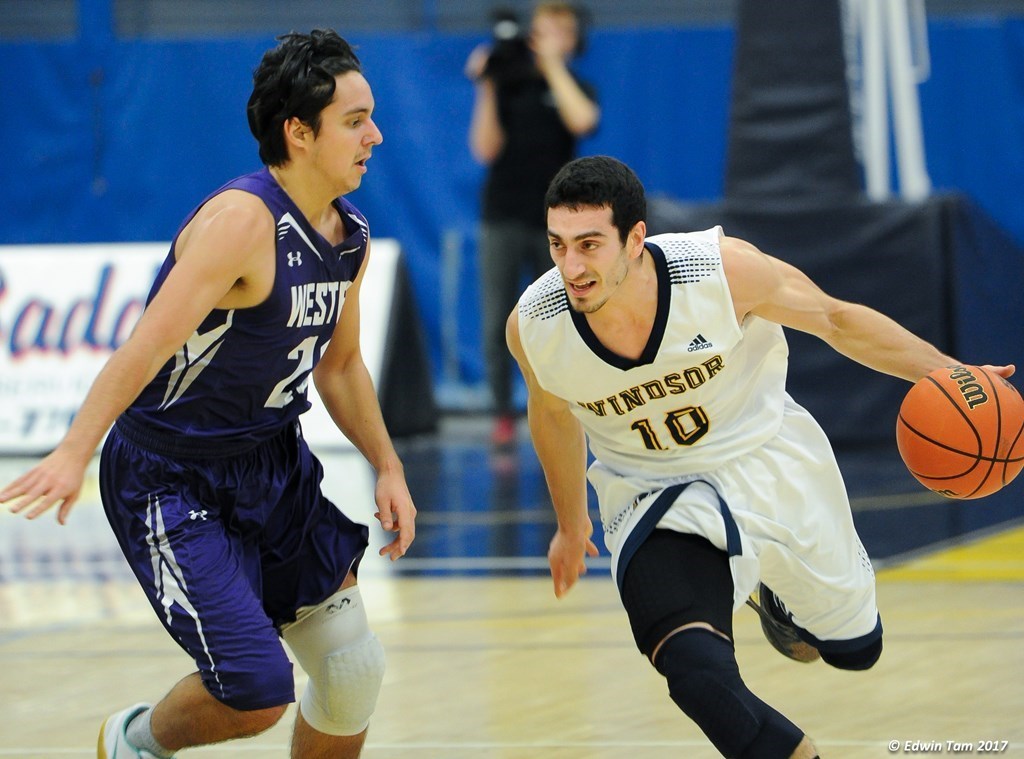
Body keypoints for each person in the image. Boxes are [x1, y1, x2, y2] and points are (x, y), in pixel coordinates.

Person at [506, 155, 1015, 758]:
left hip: (769, 457)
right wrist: (571, 522)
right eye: (557, 245)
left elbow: (835, 319)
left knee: (854, 650)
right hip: (654, 492)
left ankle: (772, 597)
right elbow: (553, 413)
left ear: (635, 239)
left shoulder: (720, 272)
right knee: (696, 673)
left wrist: (952, 374)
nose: (571, 266)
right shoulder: (535, 324)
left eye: (589, 245)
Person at [0, 29, 416, 759]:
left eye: (371, 116)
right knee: (255, 692)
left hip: (272, 464)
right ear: (298, 131)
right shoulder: (241, 223)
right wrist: (72, 452)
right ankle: (130, 743)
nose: (374, 136)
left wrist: (387, 464)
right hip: (171, 476)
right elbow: (145, 346)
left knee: (353, 668)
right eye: (355, 120)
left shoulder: (349, 236)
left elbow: (342, 365)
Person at [466, 1, 600, 446]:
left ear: (573, 38)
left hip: (557, 226)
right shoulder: (508, 86)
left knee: (560, 316)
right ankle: (502, 413)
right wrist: (488, 85)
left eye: (560, 30)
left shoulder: (575, 85)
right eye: (543, 28)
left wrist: (552, 67)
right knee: (498, 321)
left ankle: (565, 405)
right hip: (502, 214)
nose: (548, 36)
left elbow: (582, 119)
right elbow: (484, 149)